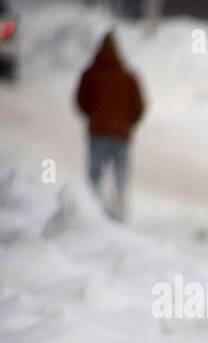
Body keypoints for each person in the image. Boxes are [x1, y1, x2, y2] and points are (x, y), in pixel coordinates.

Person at [75, 33, 145, 221]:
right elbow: (139, 105)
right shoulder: (128, 77)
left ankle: (91, 210)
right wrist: (127, 123)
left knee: (95, 174)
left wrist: (94, 116)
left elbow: (81, 101)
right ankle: (119, 209)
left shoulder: (90, 74)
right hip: (121, 135)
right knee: (120, 175)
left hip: (98, 132)